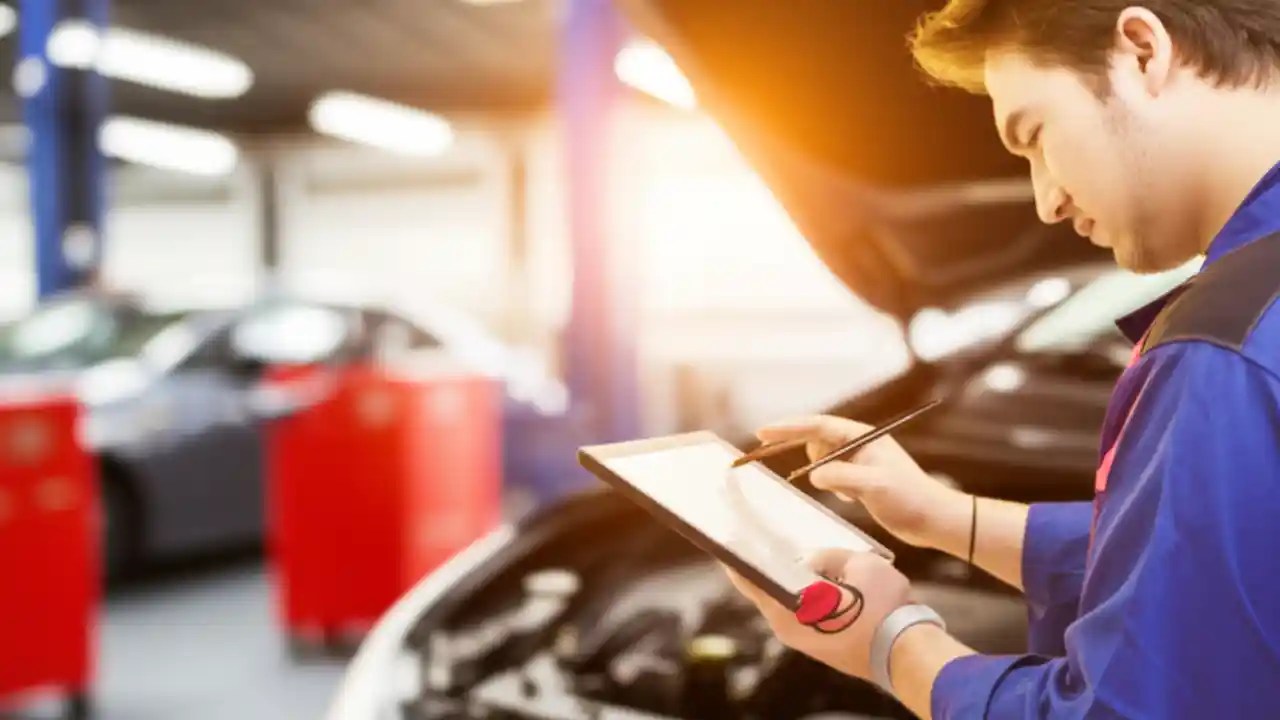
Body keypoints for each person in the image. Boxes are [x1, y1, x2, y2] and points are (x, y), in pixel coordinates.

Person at [725, 2, 1280, 718]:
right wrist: (942, 516)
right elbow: (1222, 562)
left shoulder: (1225, 353)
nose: (1046, 200)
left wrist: (890, 642)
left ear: (1143, 50)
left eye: (1035, 136)